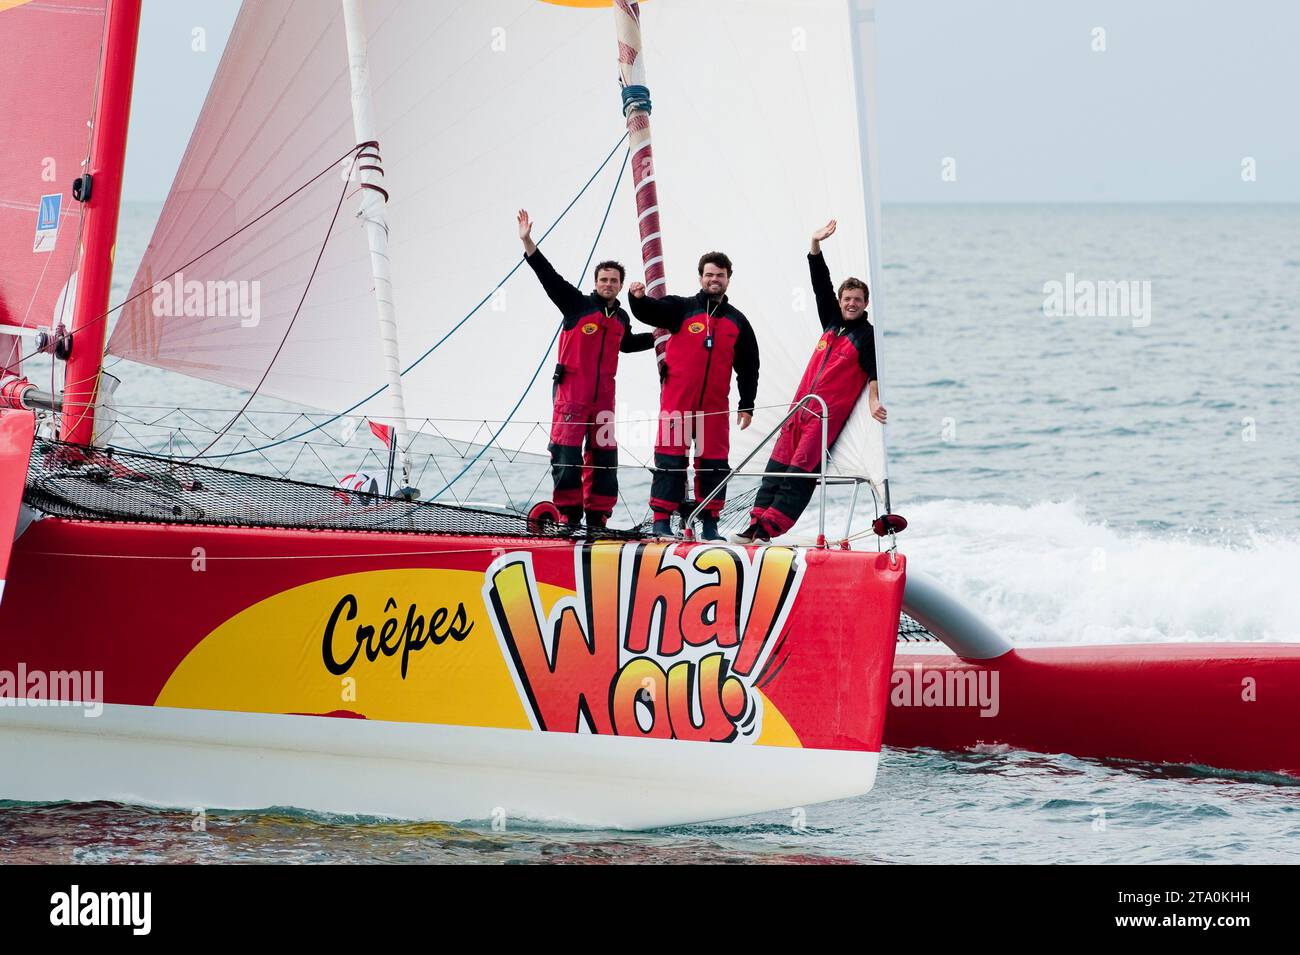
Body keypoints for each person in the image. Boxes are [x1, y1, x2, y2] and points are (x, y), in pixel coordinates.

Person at [732, 220, 886, 544]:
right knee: (774, 470)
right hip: (797, 412)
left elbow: (874, 371)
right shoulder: (831, 322)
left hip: (822, 420)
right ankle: (754, 526)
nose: (851, 303)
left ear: (865, 304)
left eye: (857, 299)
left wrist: (874, 399)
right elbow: (821, 285)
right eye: (847, 298)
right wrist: (815, 245)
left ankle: (769, 531)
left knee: (798, 477)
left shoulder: (867, 336)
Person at [518, 209, 654, 532]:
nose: (609, 284)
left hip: (604, 401)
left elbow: (628, 344)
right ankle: (569, 518)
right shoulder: (576, 304)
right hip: (571, 398)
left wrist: (660, 336)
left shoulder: (621, 319)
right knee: (566, 457)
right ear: (596, 282)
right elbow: (548, 277)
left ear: (620, 285)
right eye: (603, 279)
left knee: (605, 462)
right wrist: (527, 241)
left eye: (614, 280)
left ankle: (597, 521)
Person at [628, 252, 759, 540]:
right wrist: (637, 299)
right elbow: (651, 312)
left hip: (714, 408)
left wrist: (746, 404)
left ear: (728, 280)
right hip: (678, 403)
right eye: (709, 274)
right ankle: (661, 522)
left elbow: (749, 366)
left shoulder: (738, 321)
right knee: (670, 462)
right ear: (700, 277)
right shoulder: (681, 308)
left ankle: (710, 526)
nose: (714, 279)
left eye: (720, 275)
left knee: (714, 464)